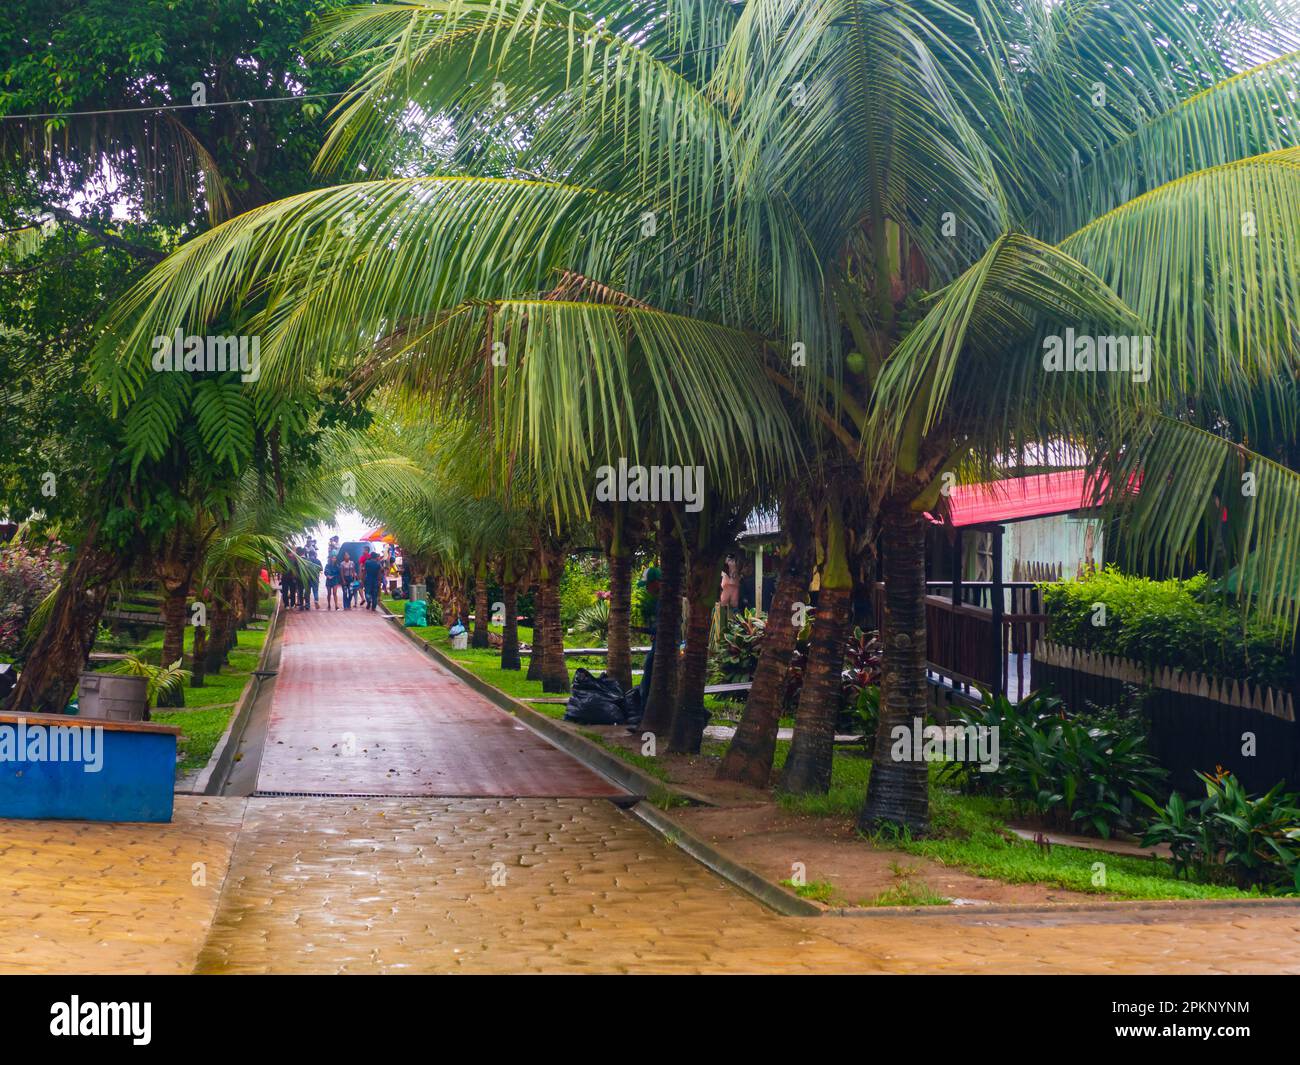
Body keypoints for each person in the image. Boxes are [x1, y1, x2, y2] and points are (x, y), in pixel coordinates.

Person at [635, 565, 661, 703]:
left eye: (647, 585)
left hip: (660, 648)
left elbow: (664, 626)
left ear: (655, 582)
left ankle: (644, 708)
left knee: (648, 676)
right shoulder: (659, 601)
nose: (646, 588)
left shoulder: (666, 601)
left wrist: (642, 629)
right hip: (657, 643)